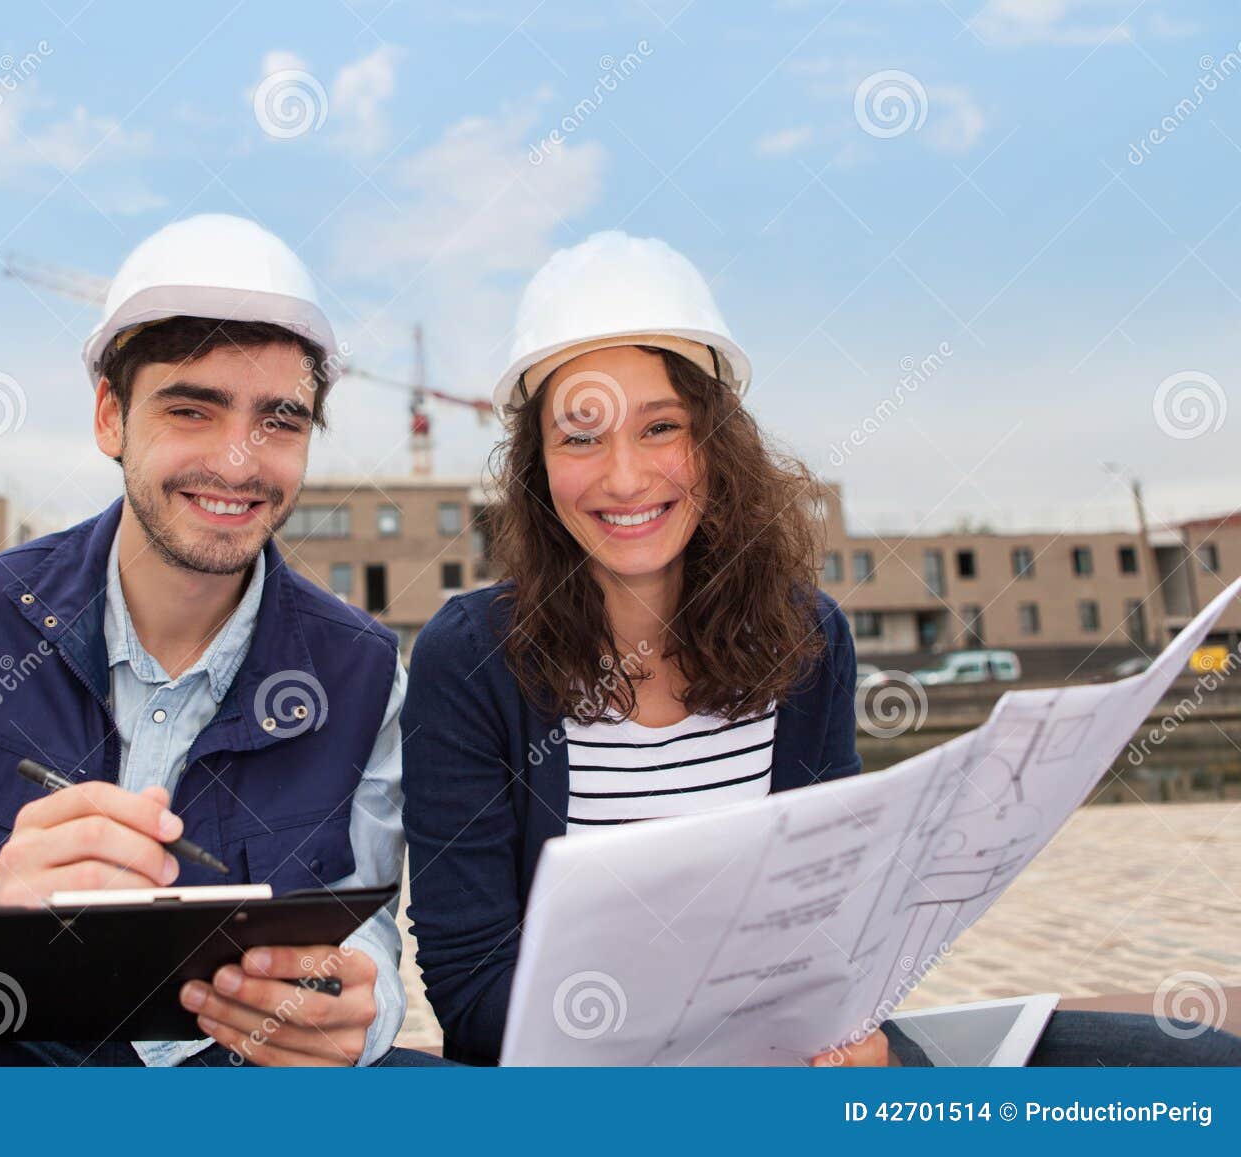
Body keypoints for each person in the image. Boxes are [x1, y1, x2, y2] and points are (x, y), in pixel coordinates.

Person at [398, 230, 1241, 1068]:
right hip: (589, 1093)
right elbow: (475, 1002)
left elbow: (839, 929)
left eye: (662, 427)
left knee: (1194, 1062)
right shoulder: (471, 659)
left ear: (717, 444)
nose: (623, 478)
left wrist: (847, 1031)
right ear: (537, 466)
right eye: (580, 437)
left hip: (793, 1061)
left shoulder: (804, 637)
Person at [0, 214, 442, 1067]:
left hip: (248, 1077)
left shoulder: (363, 673)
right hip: (12, 1068)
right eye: (192, 409)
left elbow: (368, 943)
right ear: (109, 416)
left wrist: (362, 1009)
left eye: (280, 420)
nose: (239, 463)